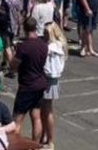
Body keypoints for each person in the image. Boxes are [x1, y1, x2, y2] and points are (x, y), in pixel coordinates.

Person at [10, 17, 49, 144]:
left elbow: (13, 66)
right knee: (36, 117)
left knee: (17, 119)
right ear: (35, 27)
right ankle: (35, 145)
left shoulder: (23, 47)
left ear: (24, 29)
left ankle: (15, 145)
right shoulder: (43, 45)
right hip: (40, 83)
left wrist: (12, 53)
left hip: (27, 85)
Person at [41, 21, 67, 150]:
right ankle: (45, 136)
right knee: (45, 109)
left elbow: (51, 68)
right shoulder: (58, 45)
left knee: (47, 110)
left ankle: (50, 140)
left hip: (49, 79)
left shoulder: (52, 48)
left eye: (46, 32)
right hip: (52, 79)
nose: (44, 34)